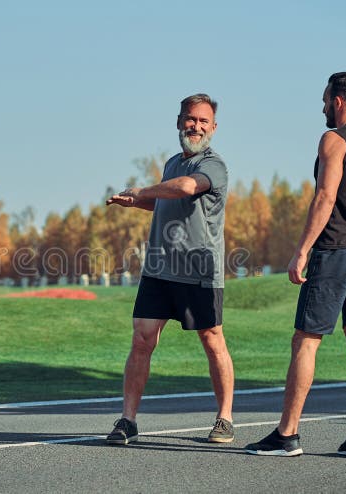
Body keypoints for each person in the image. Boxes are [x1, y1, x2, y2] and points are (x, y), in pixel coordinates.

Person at [245, 72, 346, 458]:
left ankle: (287, 434)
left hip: (336, 249)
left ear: (339, 101)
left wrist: (302, 251)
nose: (323, 107)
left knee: (306, 340)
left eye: (325, 100)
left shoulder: (334, 140)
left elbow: (325, 197)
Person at [104, 94, 235, 445]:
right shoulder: (172, 163)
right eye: (190, 119)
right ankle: (128, 420)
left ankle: (224, 418)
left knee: (212, 340)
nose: (196, 126)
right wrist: (135, 201)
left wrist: (143, 189)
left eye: (203, 121)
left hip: (199, 270)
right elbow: (167, 198)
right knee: (142, 339)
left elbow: (188, 188)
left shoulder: (214, 165)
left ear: (213, 128)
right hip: (159, 269)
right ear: (179, 122)